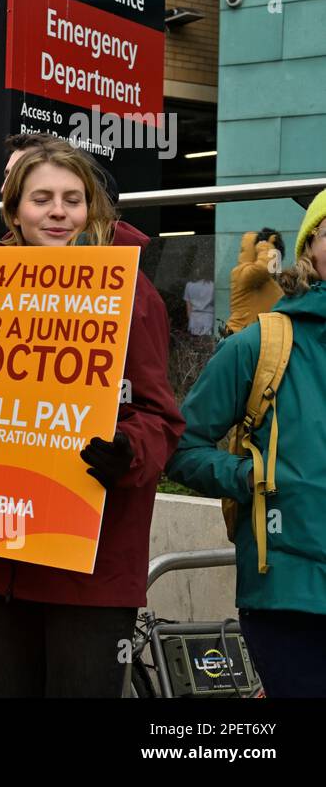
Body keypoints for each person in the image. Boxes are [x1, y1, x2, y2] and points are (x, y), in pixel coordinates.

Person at [0, 140, 185, 698]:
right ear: (14, 210)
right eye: (42, 199)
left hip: (91, 564)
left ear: (92, 210)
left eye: (72, 198)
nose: (58, 211)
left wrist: (126, 449)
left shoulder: (132, 293)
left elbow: (162, 419)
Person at [167, 189, 326, 697]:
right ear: (311, 250)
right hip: (288, 594)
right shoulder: (262, 344)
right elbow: (180, 443)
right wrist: (247, 477)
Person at [227, 228, 284, 335]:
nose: (275, 261)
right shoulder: (242, 272)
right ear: (256, 249)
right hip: (240, 336)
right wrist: (266, 246)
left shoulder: (269, 279)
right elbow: (262, 269)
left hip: (255, 337)